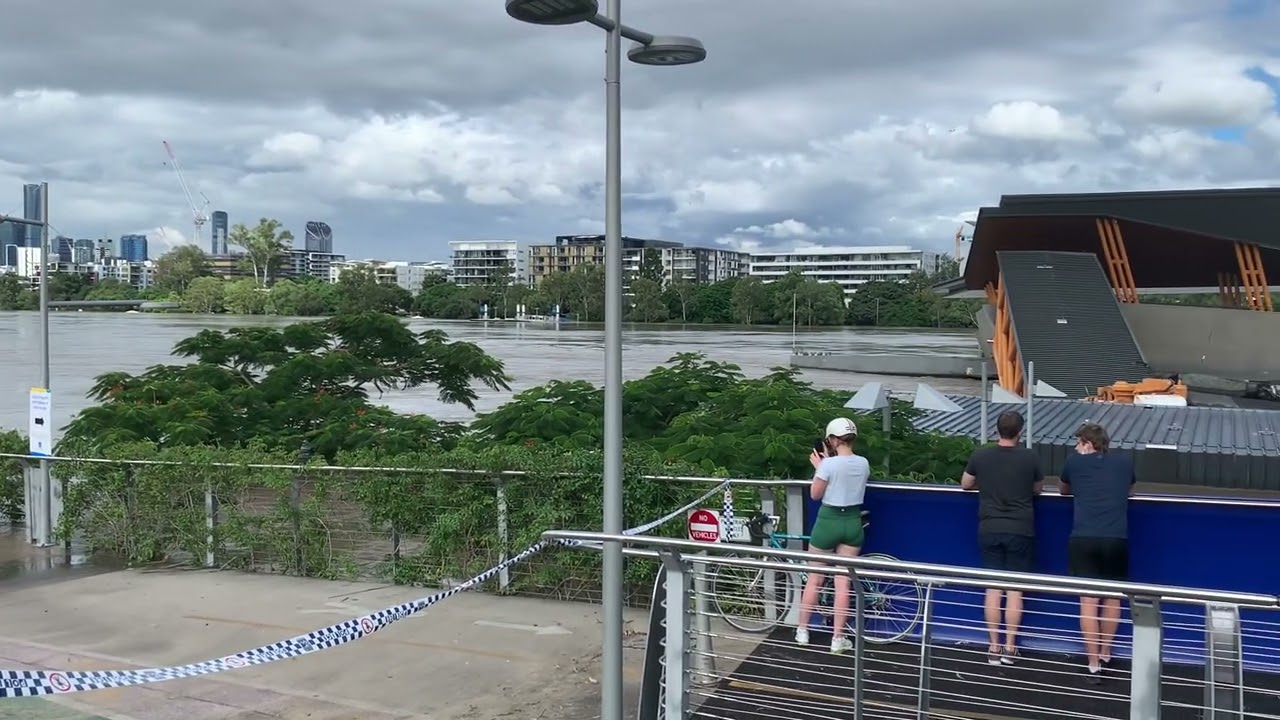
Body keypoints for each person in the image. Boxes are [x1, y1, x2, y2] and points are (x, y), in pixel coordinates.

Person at [960, 410, 1043, 666]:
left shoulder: (981, 455)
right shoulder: (1030, 457)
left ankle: (993, 646)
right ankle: (1010, 647)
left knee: (993, 588)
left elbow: (965, 484)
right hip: (1021, 528)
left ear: (997, 430)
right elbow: (1038, 489)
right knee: (1015, 590)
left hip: (990, 526)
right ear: (1020, 431)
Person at [1059, 422, 1135, 685]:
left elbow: (1063, 489)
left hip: (1083, 539)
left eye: (1079, 443)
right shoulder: (1125, 464)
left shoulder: (1074, 463)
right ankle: (1105, 652)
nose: (1075, 448)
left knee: (1089, 603)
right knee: (1113, 599)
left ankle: (1092, 665)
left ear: (1088, 444)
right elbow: (1128, 491)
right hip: (1116, 539)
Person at [794, 417, 871, 654]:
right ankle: (838, 638)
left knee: (815, 579)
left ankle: (803, 631)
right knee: (843, 584)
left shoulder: (828, 465)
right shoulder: (864, 463)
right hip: (852, 522)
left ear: (832, 439)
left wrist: (821, 468)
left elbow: (815, 495)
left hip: (828, 521)